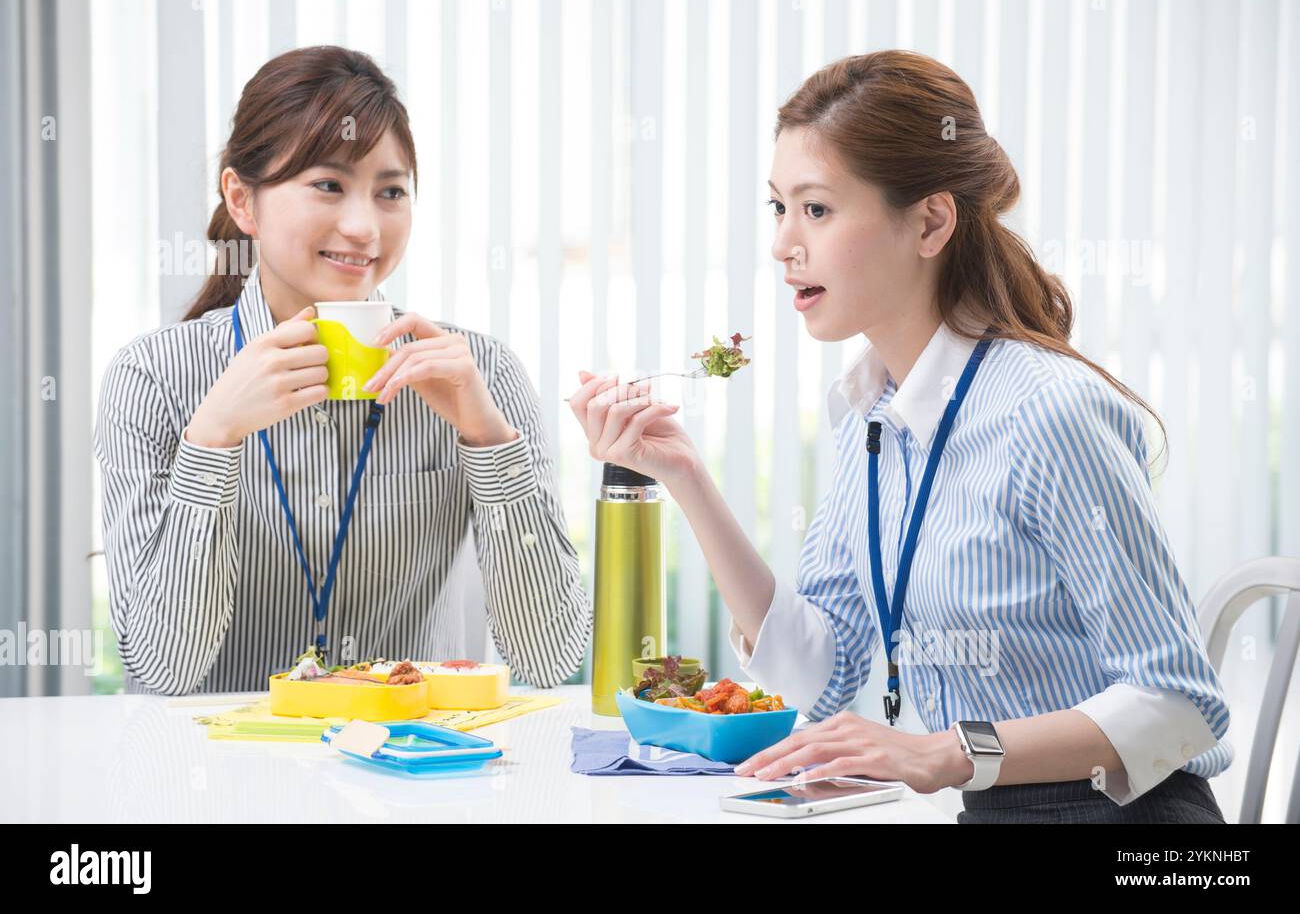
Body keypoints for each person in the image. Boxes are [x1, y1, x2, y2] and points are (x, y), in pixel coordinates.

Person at [568, 50, 1230, 823]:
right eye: (776, 207)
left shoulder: (1049, 411)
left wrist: (943, 751)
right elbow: (821, 675)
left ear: (930, 222)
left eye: (816, 209)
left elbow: (1183, 702)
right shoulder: (869, 416)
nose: (784, 242)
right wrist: (683, 475)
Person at [95, 46, 589, 695]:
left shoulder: (481, 372)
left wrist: (488, 441)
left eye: (390, 192)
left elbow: (550, 658)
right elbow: (161, 670)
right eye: (328, 185)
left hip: (408, 783)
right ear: (243, 200)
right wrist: (210, 439)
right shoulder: (153, 379)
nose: (363, 228)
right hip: (218, 785)